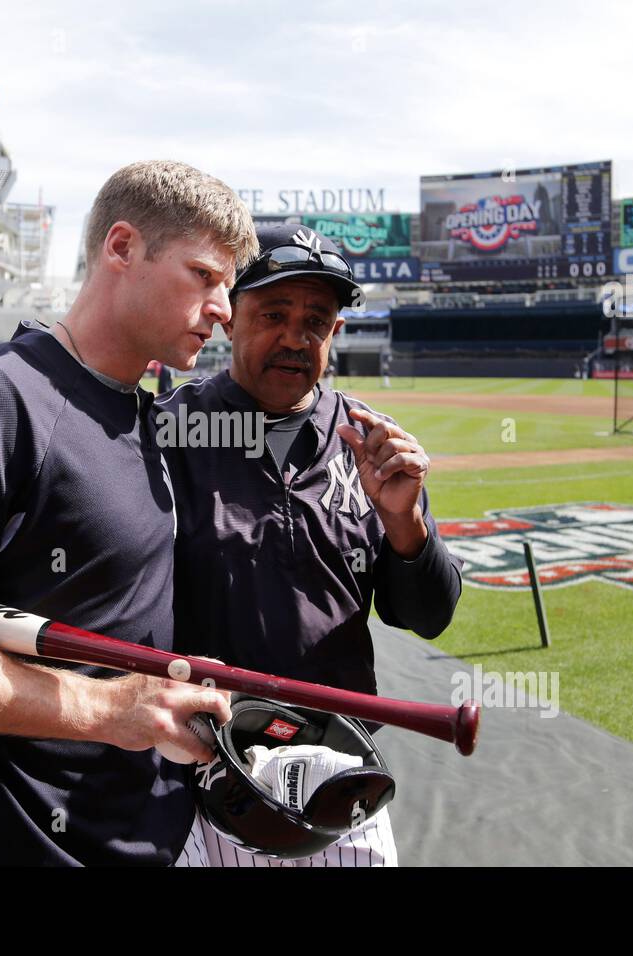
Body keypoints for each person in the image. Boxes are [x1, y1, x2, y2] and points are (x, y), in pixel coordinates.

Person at [0, 160, 257, 866]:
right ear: (121, 248)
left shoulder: (145, 415)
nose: (223, 308)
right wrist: (110, 710)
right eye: (205, 277)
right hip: (22, 841)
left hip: (150, 833)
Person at [157, 222, 464, 867]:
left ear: (336, 334)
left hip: (337, 771)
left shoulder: (370, 444)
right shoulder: (169, 435)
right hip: (207, 769)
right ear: (230, 317)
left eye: (316, 321)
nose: (294, 338)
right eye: (273, 313)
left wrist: (405, 524)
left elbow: (427, 615)